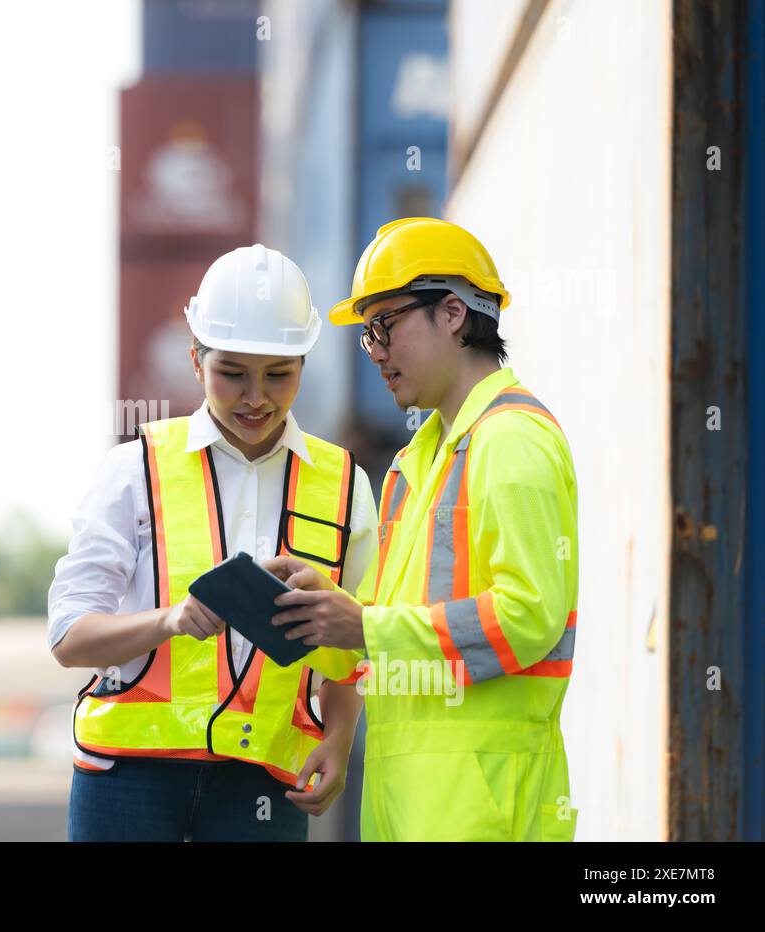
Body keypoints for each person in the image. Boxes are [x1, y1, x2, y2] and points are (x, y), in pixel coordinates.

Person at [48, 244, 378, 842]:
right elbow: (69, 638)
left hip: (262, 783)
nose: (256, 397)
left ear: (304, 363)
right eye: (232, 372)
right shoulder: (134, 470)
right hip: (128, 779)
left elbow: (354, 645)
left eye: (279, 374)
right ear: (196, 359)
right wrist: (171, 620)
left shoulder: (345, 485)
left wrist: (339, 738)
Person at [265, 217, 580, 841]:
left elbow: (529, 617)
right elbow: (385, 634)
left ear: (455, 313)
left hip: (484, 803)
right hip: (408, 801)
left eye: (385, 325)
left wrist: (363, 624)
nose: (375, 350)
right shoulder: (414, 465)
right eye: (367, 336)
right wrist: (318, 613)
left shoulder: (512, 441)